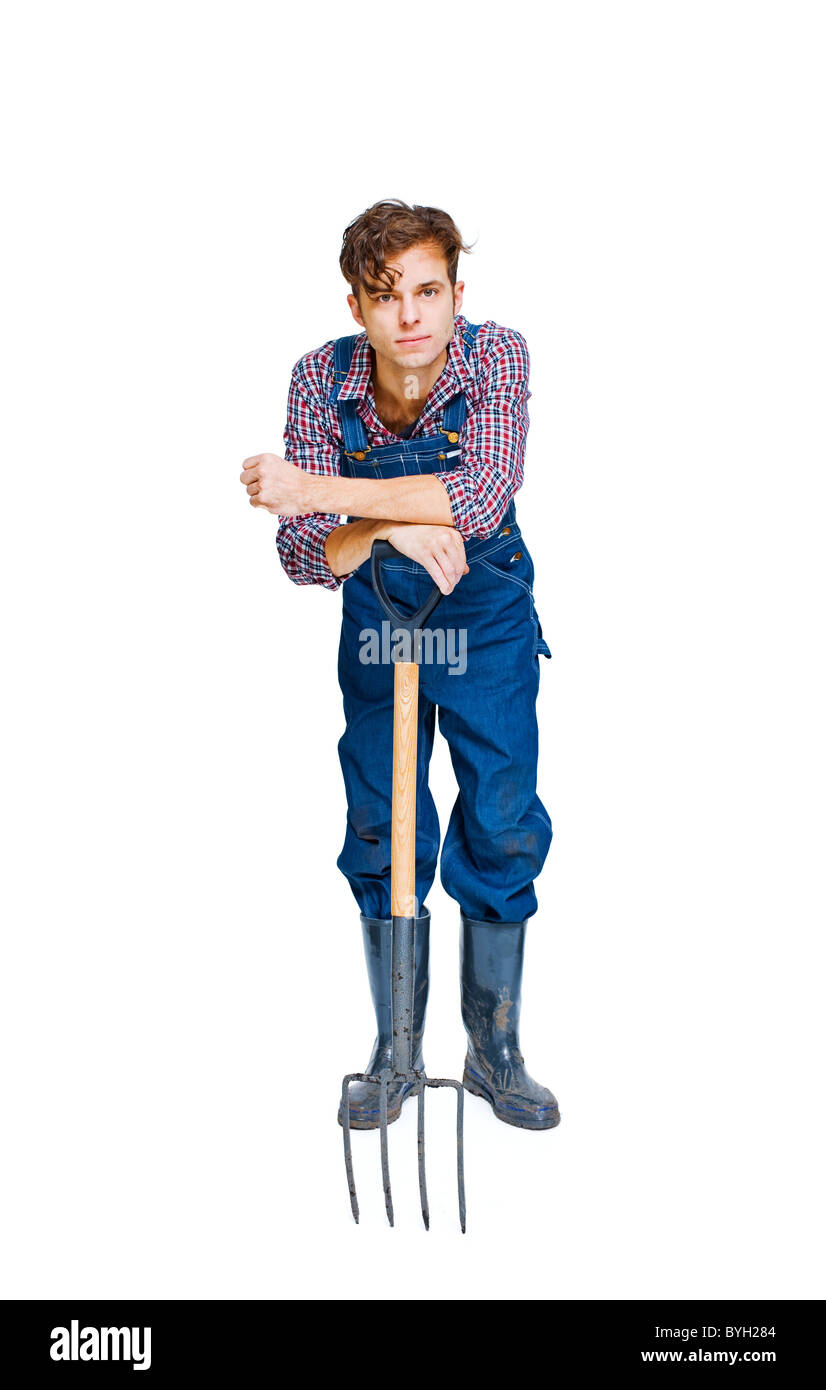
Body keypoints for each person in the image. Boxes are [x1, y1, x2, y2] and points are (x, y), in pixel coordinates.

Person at [240, 199, 560, 1132]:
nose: (411, 315)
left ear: (458, 291)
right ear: (357, 307)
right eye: (386, 297)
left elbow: (482, 496)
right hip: (382, 621)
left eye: (429, 290)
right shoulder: (320, 379)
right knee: (384, 819)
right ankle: (396, 1051)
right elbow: (304, 557)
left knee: (501, 817)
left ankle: (494, 1051)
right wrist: (398, 526)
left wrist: (320, 493)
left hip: (484, 619)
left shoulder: (498, 356)